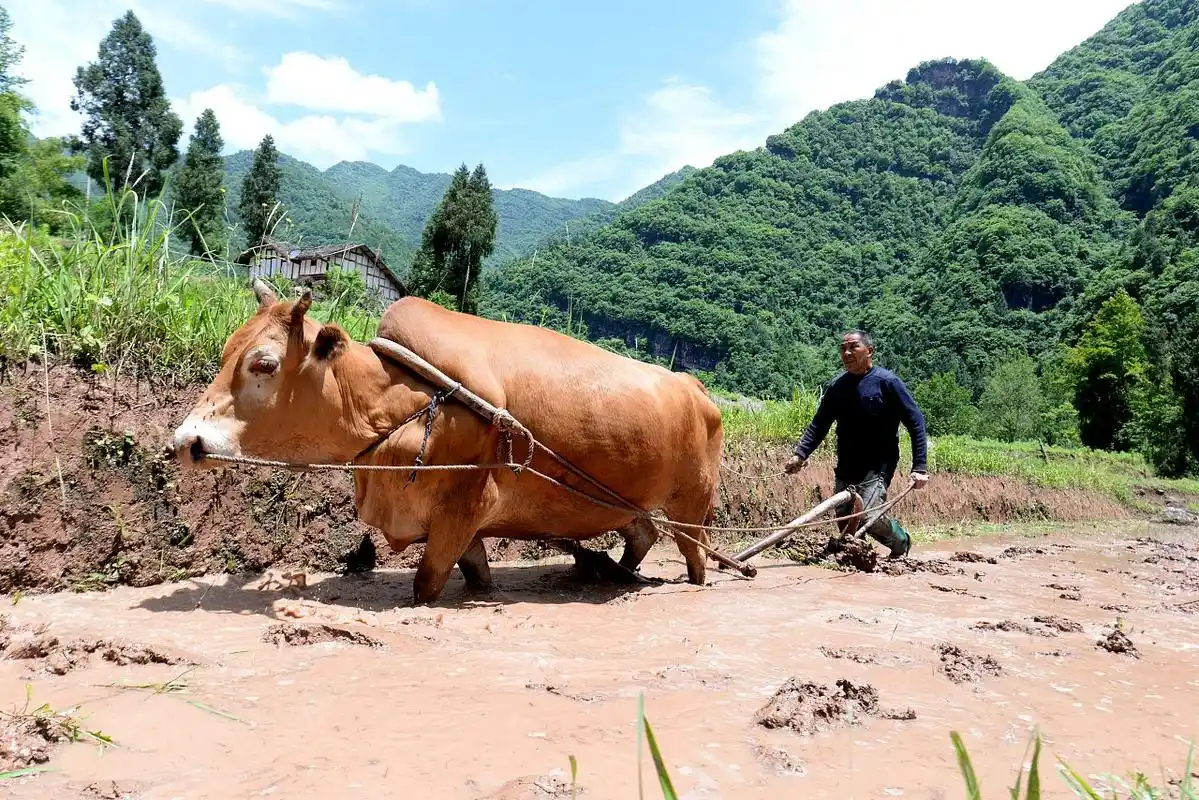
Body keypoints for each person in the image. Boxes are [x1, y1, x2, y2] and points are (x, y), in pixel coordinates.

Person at [784, 330, 929, 558]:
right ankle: (856, 558)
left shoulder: (887, 383)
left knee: (869, 517)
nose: (847, 352)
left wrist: (919, 467)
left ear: (869, 351)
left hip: (878, 464)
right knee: (844, 517)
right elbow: (819, 425)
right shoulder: (837, 387)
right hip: (847, 463)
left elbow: (916, 421)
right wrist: (800, 455)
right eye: (843, 348)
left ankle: (901, 541)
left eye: (853, 347)